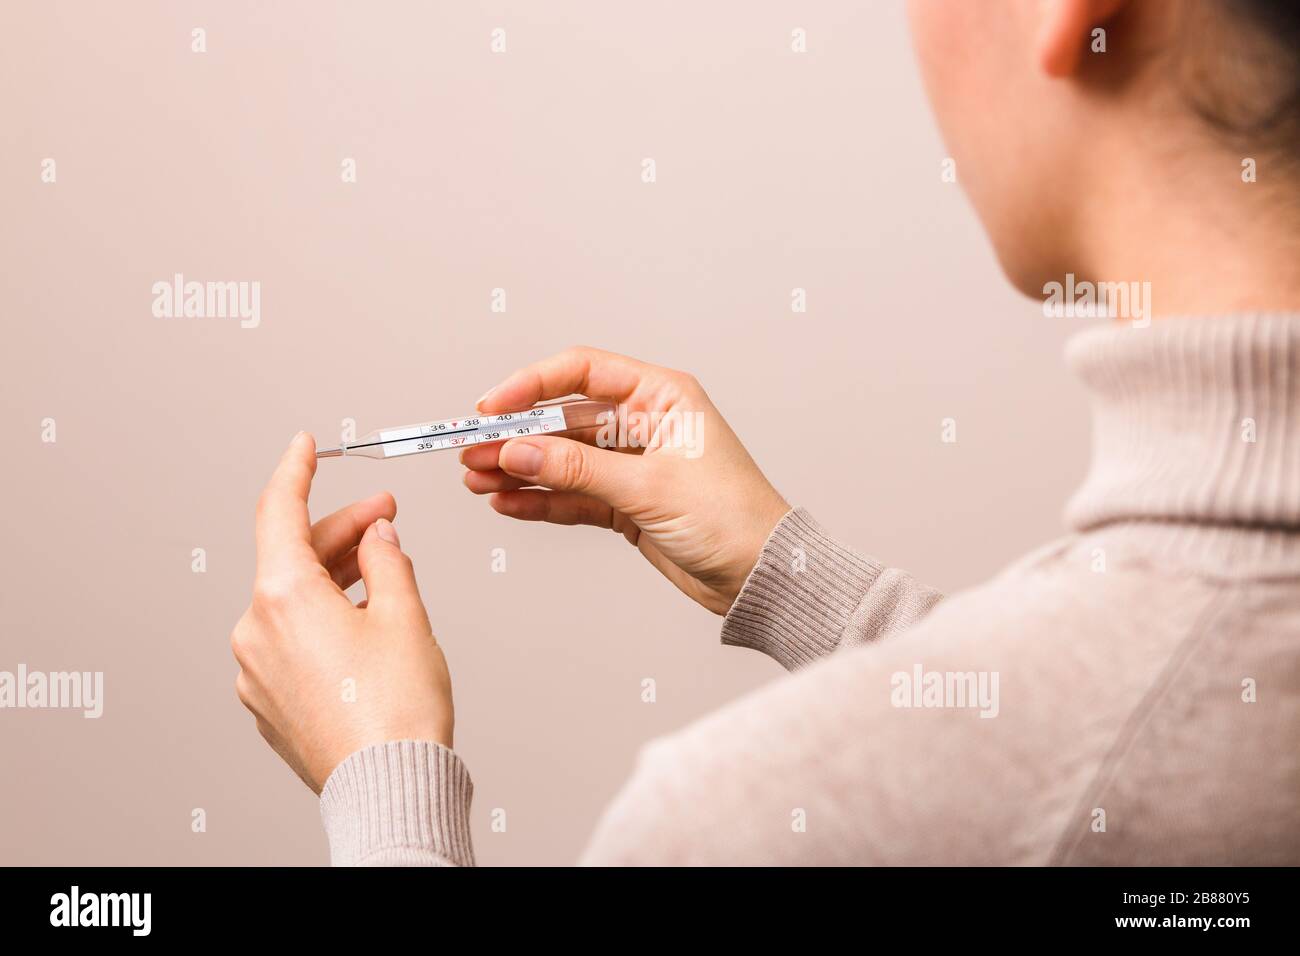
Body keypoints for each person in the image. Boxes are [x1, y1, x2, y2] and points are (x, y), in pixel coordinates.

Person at [230, 0, 1300, 865]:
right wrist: (794, 578)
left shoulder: (734, 825)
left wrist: (385, 789)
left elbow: (1082, 767)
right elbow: (1129, 730)